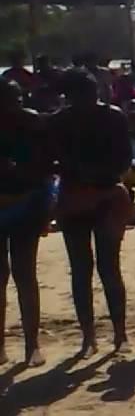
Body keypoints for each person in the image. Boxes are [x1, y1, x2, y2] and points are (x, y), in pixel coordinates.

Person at [48, 69, 133, 355]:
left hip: (102, 196)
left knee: (107, 267)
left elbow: (123, 159)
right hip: (78, 197)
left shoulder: (112, 118)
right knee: (83, 268)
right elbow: (53, 159)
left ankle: (118, 333)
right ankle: (90, 336)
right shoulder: (60, 121)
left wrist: (92, 179)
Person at [0, 78, 53, 366]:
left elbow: (45, 170)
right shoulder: (32, 122)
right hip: (16, 202)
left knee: (25, 275)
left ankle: (32, 344)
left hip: (26, 204)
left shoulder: (33, 124)